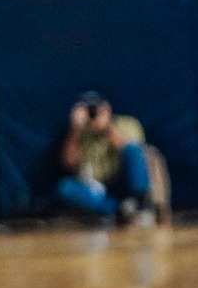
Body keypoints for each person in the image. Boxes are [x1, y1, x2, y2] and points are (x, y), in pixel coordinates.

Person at [55, 92, 152, 225]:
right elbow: (69, 163)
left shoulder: (127, 124)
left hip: (124, 181)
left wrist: (106, 130)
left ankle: (140, 203)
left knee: (132, 149)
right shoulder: (80, 134)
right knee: (65, 188)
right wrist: (75, 130)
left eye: (95, 110)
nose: (93, 114)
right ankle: (119, 211)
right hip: (100, 189)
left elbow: (134, 152)